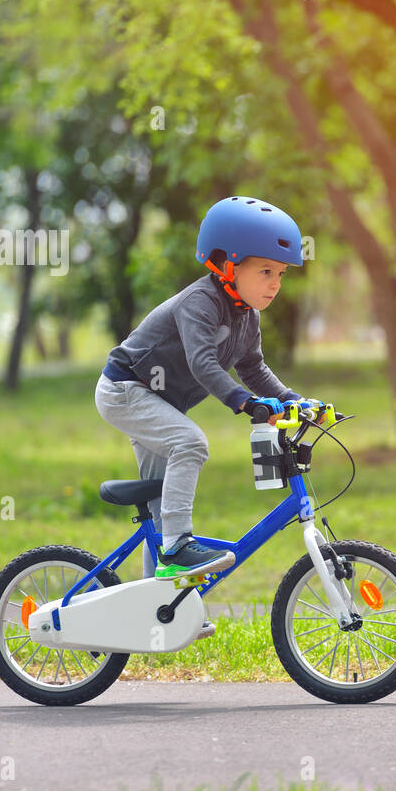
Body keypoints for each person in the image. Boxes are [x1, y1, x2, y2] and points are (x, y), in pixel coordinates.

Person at [94, 196, 326, 586]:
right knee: (191, 444)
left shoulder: (247, 315)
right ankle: (179, 547)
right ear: (227, 265)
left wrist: (293, 401)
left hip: (158, 400)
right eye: (266, 271)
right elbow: (204, 364)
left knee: (159, 498)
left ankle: (159, 603)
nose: (275, 284)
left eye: (281, 274)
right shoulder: (199, 303)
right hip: (125, 389)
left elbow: (252, 366)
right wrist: (245, 403)